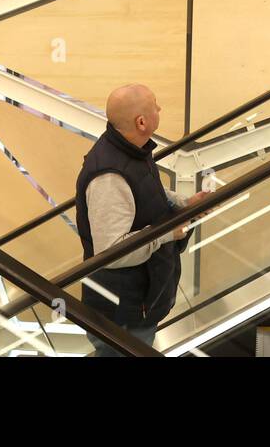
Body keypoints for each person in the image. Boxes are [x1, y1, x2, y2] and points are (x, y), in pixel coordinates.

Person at [75, 84, 209, 356]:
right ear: (142, 122)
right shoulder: (109, 176)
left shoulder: (131, 149)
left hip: (138, 301)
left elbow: (144, 190)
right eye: (156, 105)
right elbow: (111, 252)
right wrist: (167, 234)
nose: (160, 109)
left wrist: (182, 203)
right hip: (123, 311)